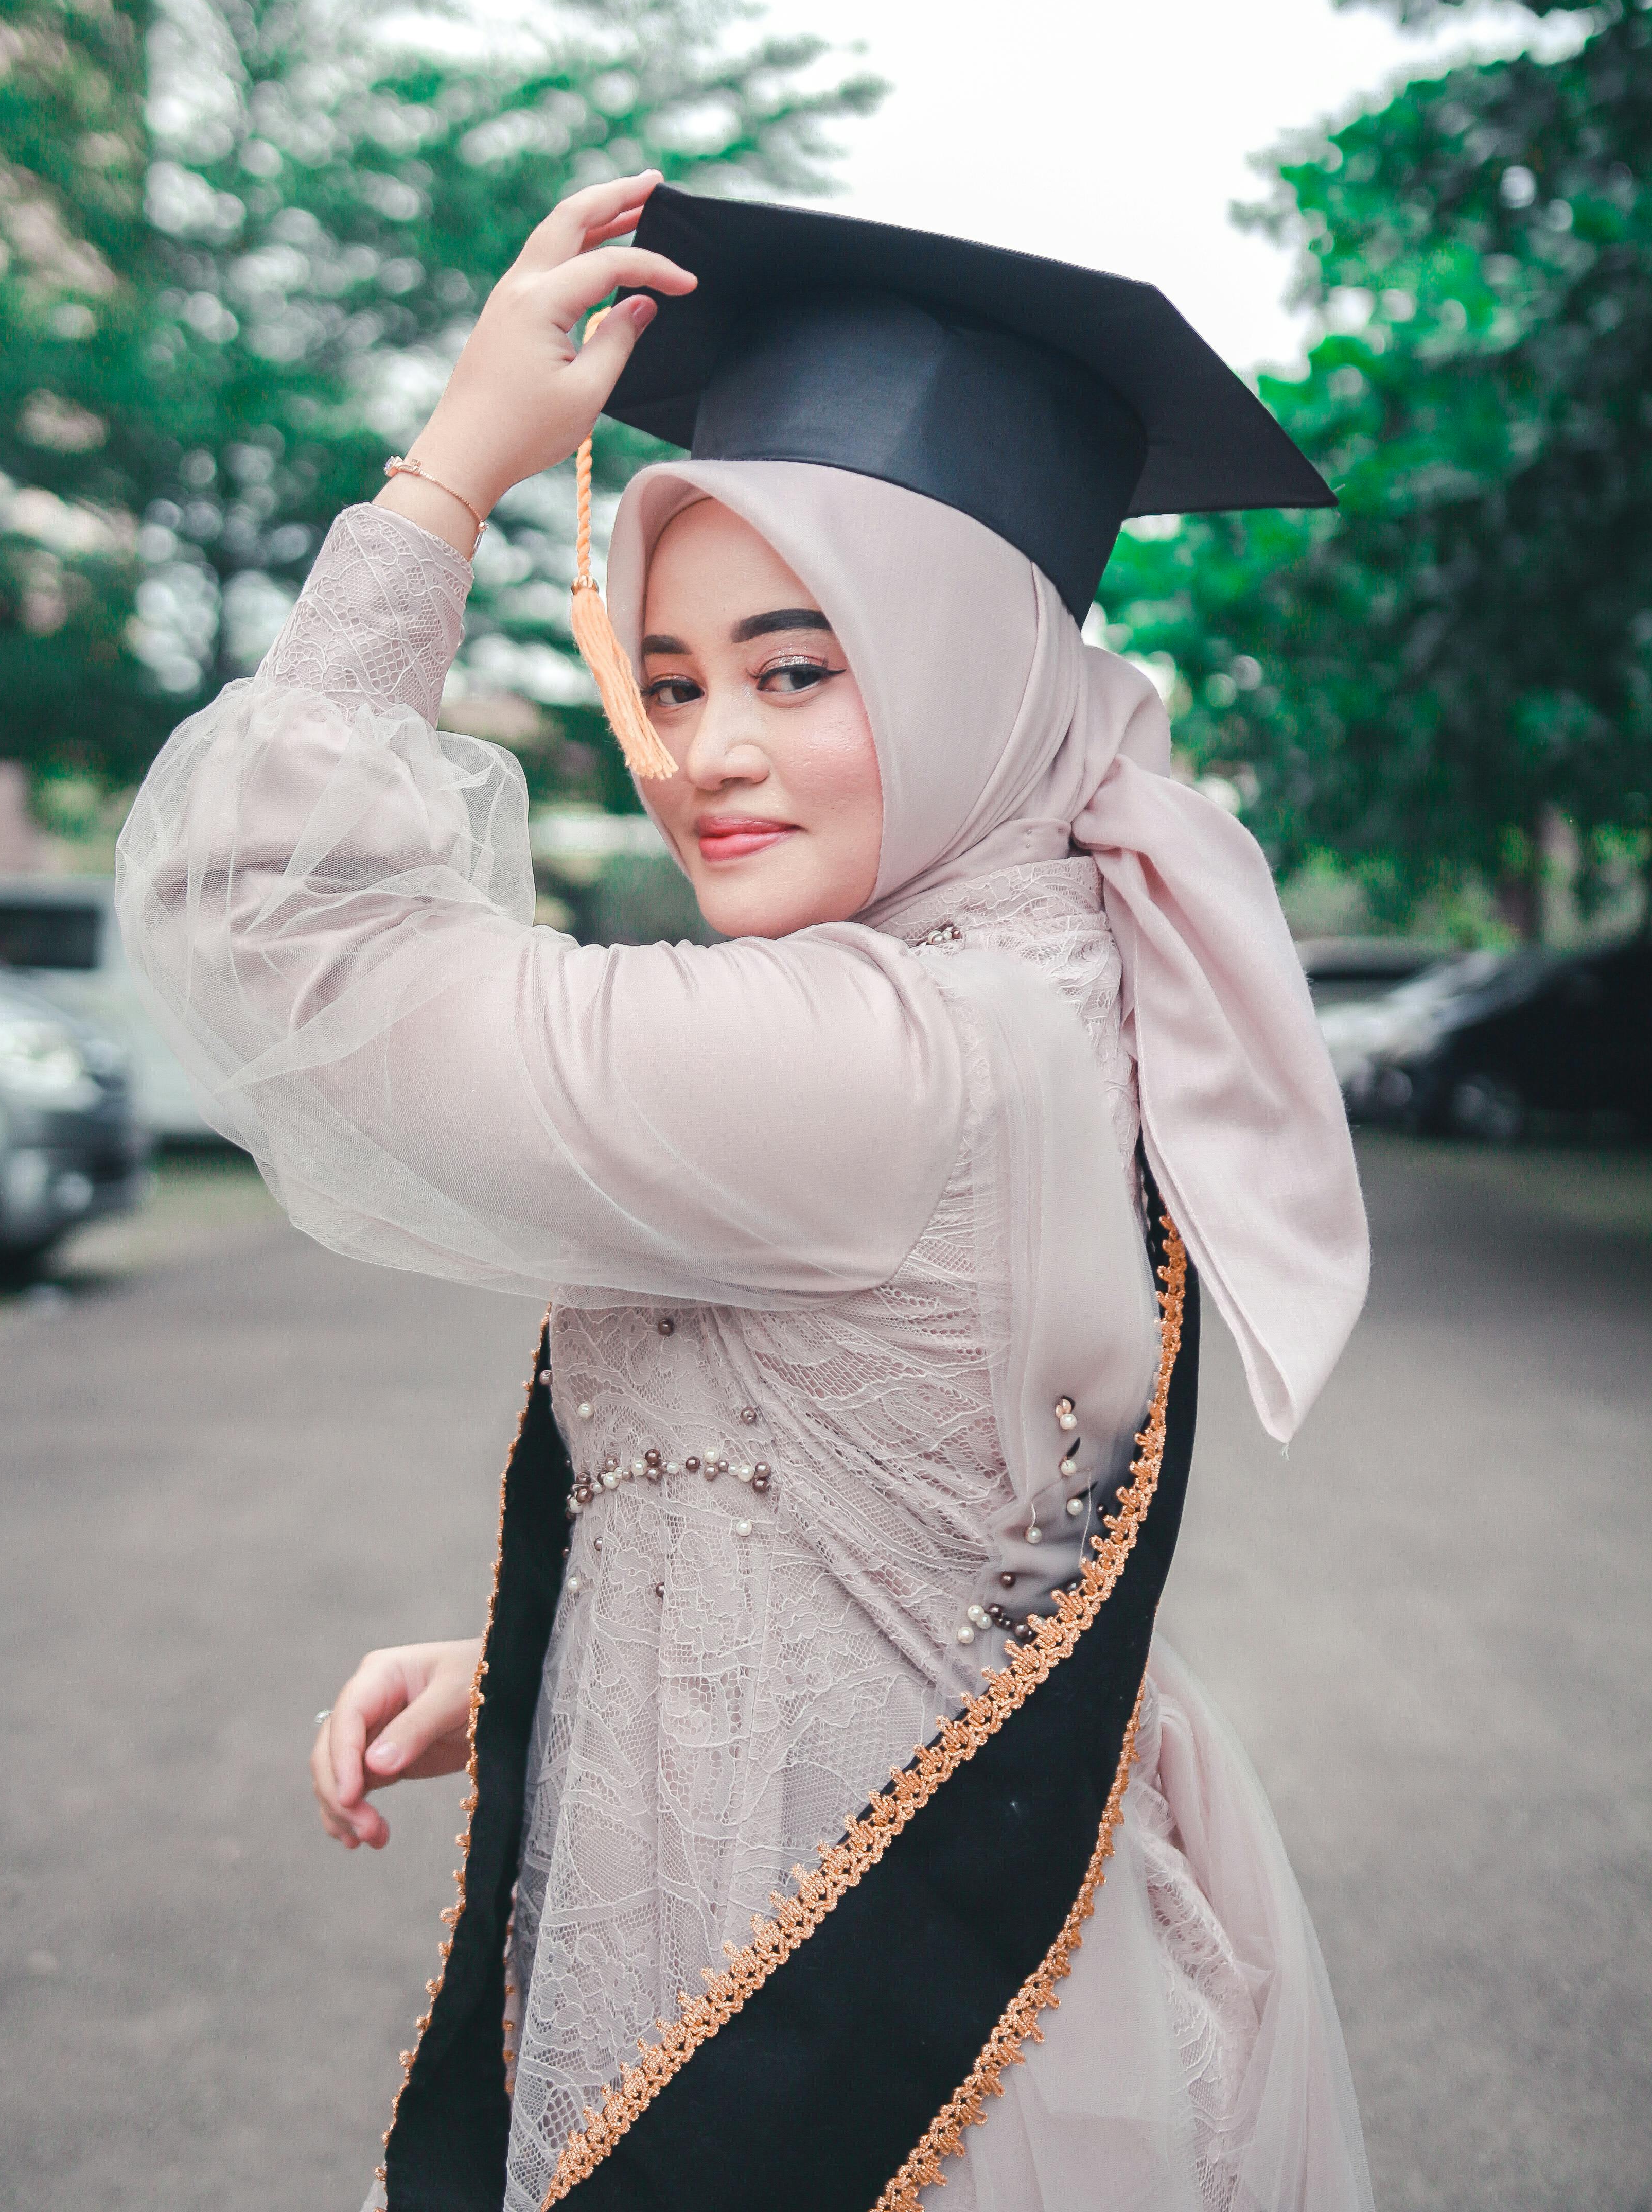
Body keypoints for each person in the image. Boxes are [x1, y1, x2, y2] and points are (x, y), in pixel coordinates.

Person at [116, 171, 1375, 2212]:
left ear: (973, 668)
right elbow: (873, 1503)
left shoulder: (897, 1056)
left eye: (800, 671)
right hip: (877, 1934)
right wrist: (547, 1656)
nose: (705, 754)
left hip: (848, 2042)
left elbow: (272, 927)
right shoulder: (1037, 967)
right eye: (678, 681)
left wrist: (446, 477)